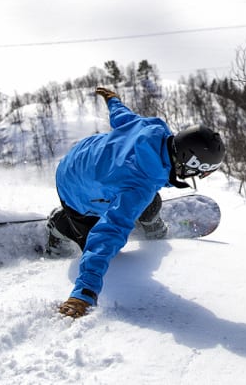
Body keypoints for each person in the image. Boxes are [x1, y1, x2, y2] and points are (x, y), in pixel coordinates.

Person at [49, 86, 226, 319]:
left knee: (147, 200)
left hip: (84, 153)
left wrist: (113, 100)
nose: (197, 177)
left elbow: (122, 116)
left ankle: (150, 221)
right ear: (189, 164)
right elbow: (108, 232)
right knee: (107, 244)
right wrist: (84, 292)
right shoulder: (139, 186)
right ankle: (61, 224)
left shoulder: (153, 129)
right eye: (201, 173)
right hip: (74, 188)